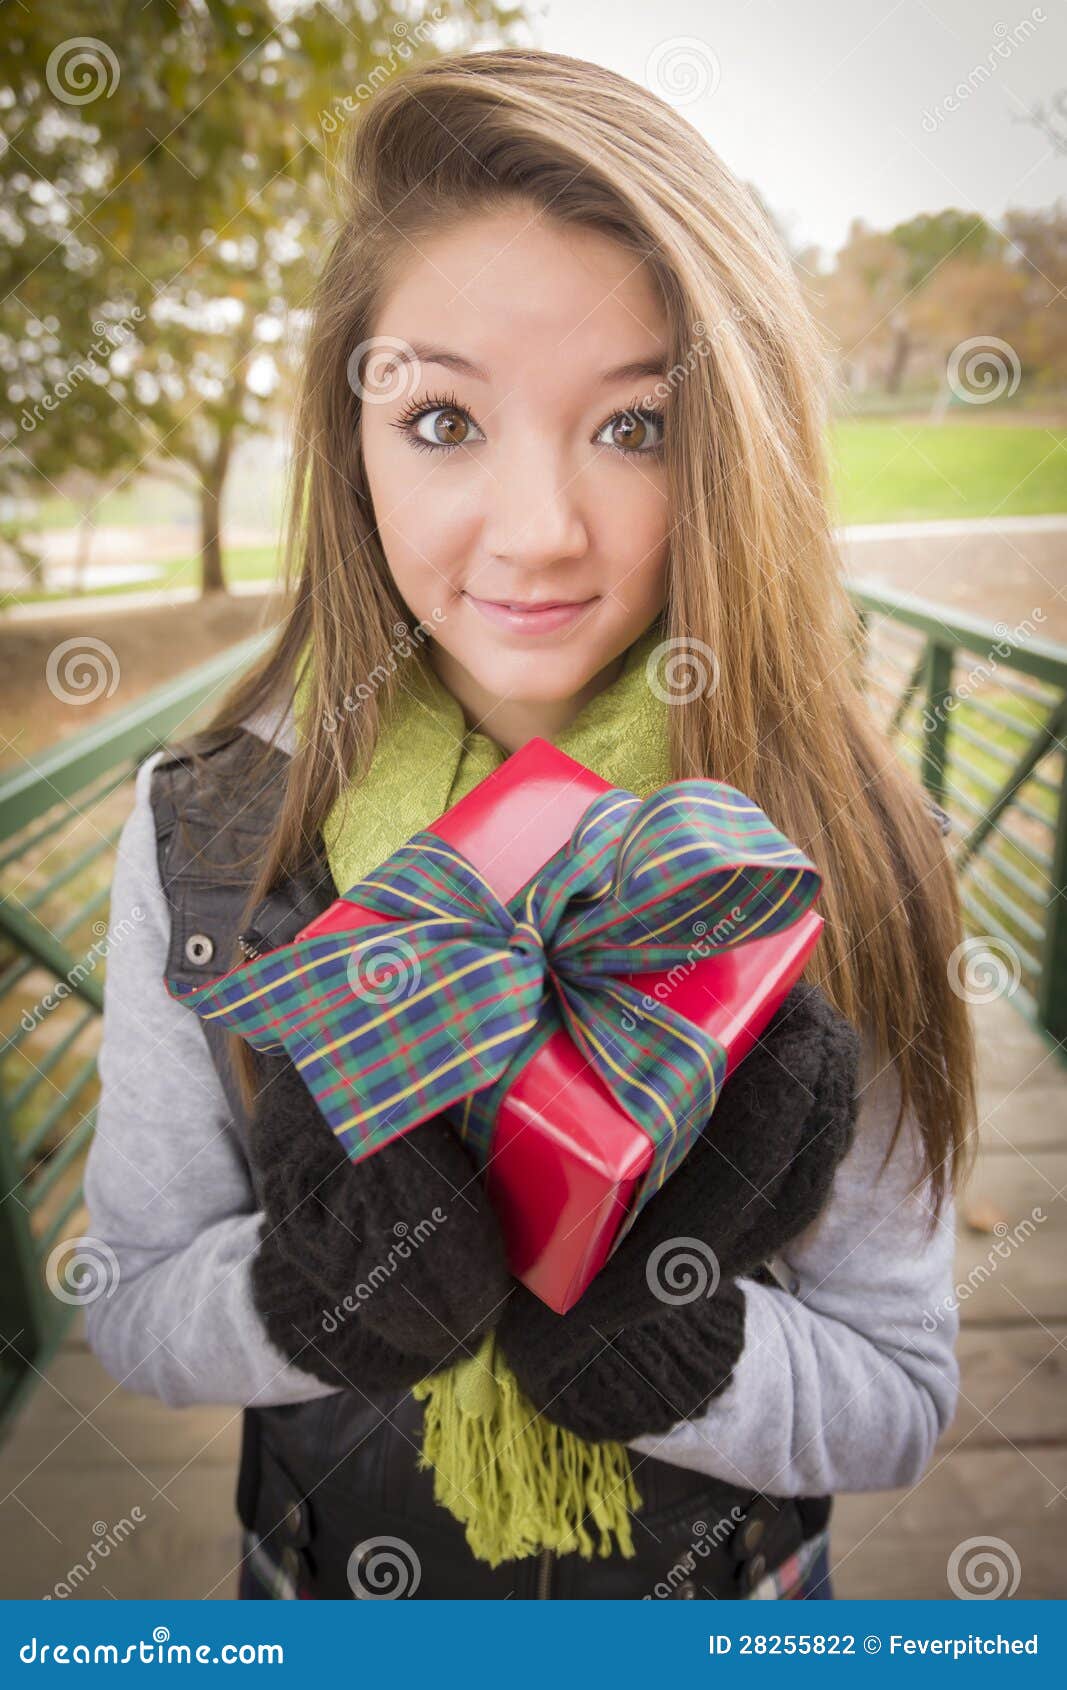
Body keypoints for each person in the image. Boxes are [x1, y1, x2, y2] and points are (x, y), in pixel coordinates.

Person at [83, 45, 977, 1602]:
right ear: (349, 443)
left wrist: (678, 1339)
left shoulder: (840, 841)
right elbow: (136, 1294)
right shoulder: (200, 837)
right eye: (442, 419)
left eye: (633, 427)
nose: (540, 530)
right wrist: (314, 1294)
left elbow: (901, 1392)